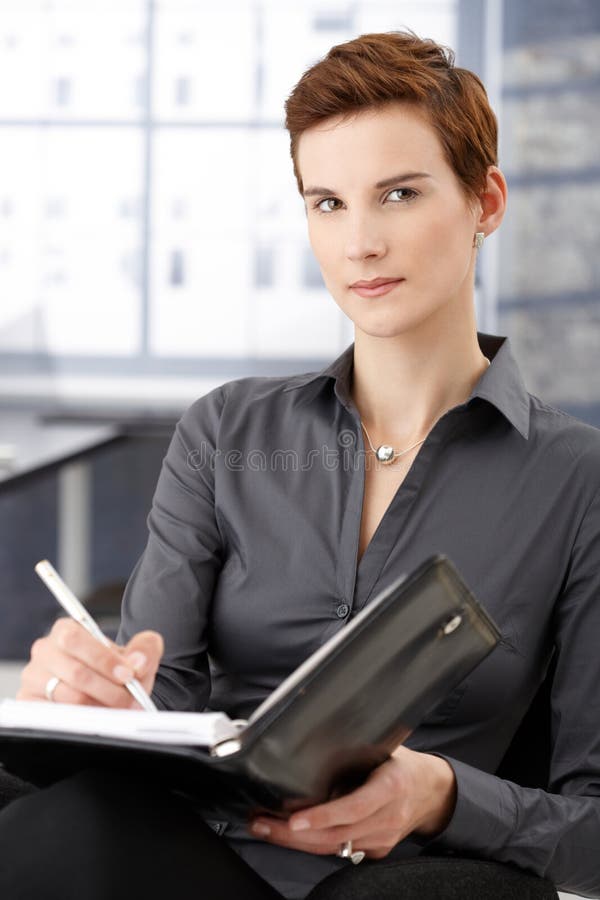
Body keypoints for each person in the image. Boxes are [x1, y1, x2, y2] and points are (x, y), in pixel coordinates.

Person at [2, 28, 600, 900]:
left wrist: (443, 797)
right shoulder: (226, 430)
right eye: (327, 203)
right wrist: (86, 701)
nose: (359, 243)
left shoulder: (575, 481)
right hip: (180, 839)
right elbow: (155, 698)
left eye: (397, 194)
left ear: (486, 200)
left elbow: (591, 829)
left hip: (387, 879)